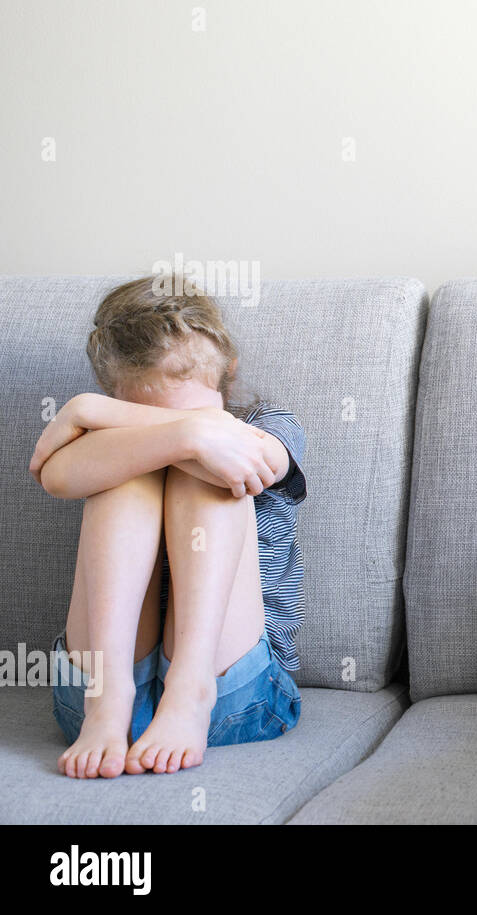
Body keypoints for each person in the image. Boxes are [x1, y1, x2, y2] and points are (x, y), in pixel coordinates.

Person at [29, 275, 308, 778]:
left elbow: (257, 463)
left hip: (232, 687)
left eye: (193, 417)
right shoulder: (102, 430)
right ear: (115, 395)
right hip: (95, 696)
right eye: (141, 414)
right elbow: (56, 476)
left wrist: (97, 413)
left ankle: (189, 685)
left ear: (228, 373)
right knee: (126, 472)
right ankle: (110, 693)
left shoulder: (268, 424)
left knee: (214, 473)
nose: (188, 431)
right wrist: (179, 435)